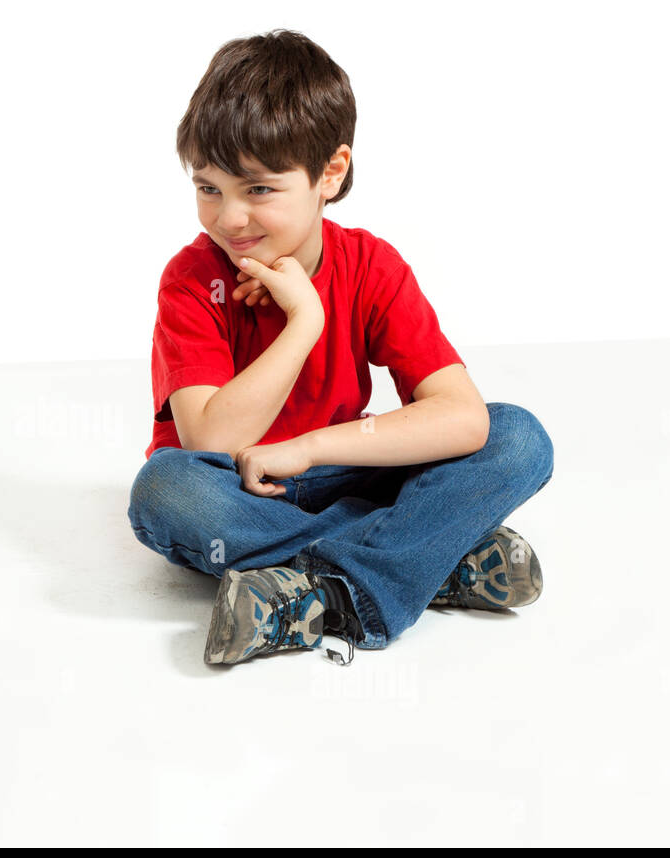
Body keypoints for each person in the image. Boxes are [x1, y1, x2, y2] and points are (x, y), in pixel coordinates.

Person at [127, 29, 554, 667]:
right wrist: (304, 324)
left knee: (516, 436)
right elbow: (211, 442)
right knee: (165, 491)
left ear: (331, 173)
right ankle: (421, 558)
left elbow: (460, 416)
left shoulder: (371, 264)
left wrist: (312, 447)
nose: (229, 219)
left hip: (342, 468)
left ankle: (317, 590)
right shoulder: (192, 279)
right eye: (208, 187)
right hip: (240, 489)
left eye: (259, 190)